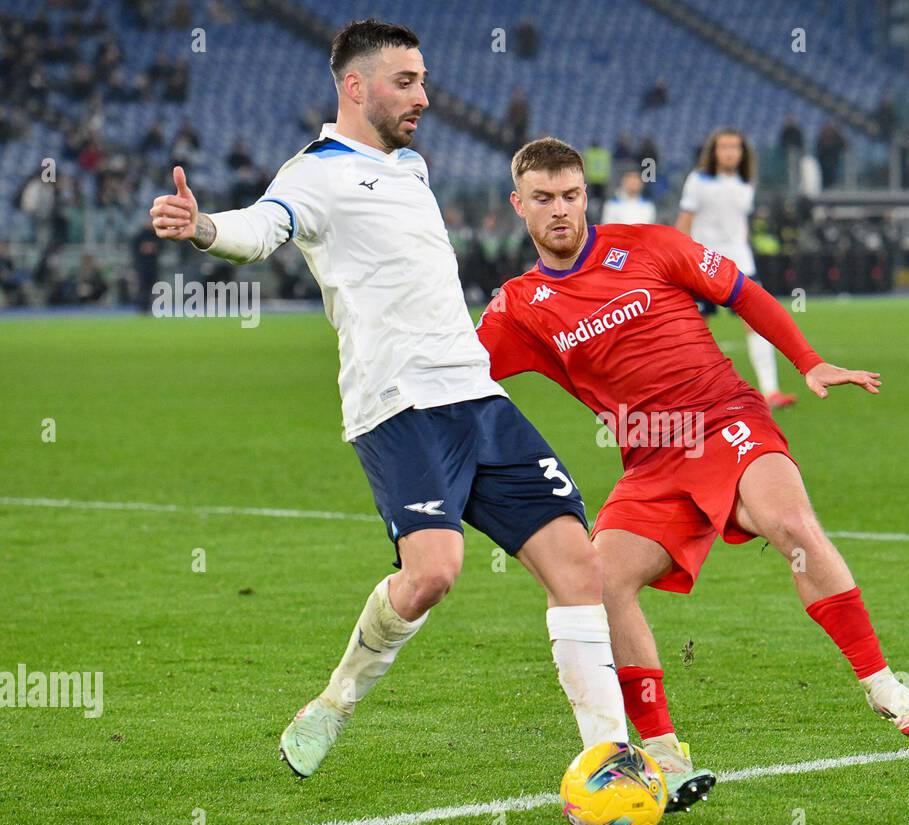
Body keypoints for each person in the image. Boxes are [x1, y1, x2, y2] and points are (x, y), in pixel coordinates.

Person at [148, 20, 628, 777]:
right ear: (355, 86)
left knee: (579, 566)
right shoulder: (314, 172)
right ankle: (334, 703)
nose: (424, 97)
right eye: (406, 82)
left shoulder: (411, 167)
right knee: (433, 573)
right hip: (398, 406)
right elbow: (261, 229)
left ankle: (611, 756)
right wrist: (204, 226)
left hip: (475, 394)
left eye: (423, 80)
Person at [477, 137, 909, 809]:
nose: (560, 211)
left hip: (726, 419)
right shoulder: (519, 307)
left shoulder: (652, 245)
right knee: (600, 582)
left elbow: (745, 294)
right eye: (543, 199)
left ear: (586, 196)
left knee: (790, 523)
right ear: (518, 206)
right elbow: (454, 377)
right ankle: (662, 754)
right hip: (652, 460)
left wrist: (806, 360)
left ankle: (882, 684)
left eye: (571, 195)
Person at [677, 128, 796, 410]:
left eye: (735, 147)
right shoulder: (697, 180)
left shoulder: (746, 182)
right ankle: (689, 394)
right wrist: (680, 260)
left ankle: (771, 391)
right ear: (714, 151)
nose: (730, 152)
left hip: (740, 264)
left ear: (743, 153)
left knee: (758, 323)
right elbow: (684, 220)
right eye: (724, 147)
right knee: (692, 330)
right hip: (703, 265)